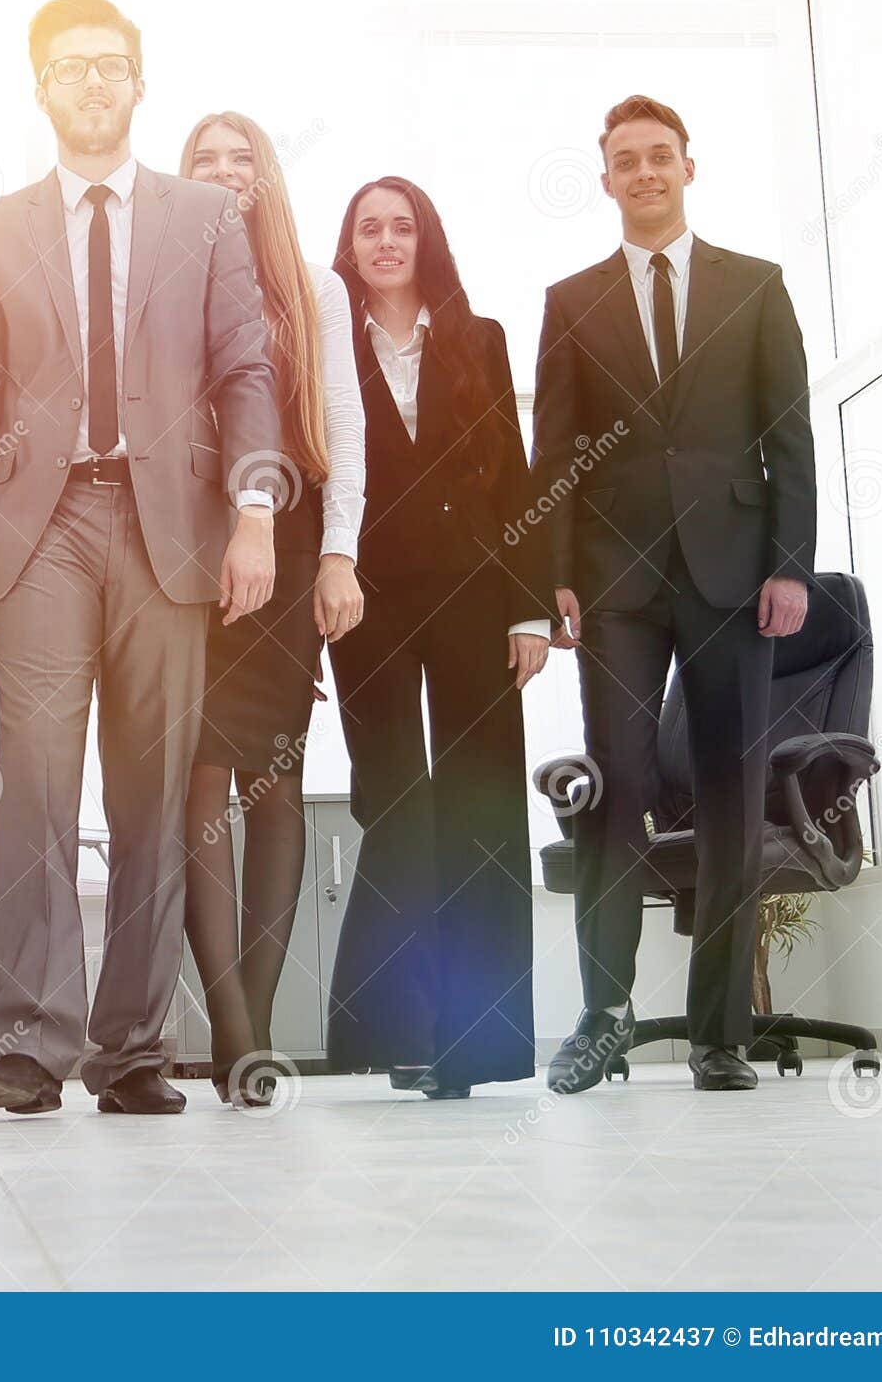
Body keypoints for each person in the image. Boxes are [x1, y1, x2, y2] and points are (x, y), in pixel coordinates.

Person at [0, 0, 282, 1117]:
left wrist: (258, 509)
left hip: (171, 522)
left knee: (155, 793)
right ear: (41, 88)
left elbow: (244, 371)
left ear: (139, 83)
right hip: (39, 530)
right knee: (34, 783)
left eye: (113, 66)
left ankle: (132, 1044)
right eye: (72, 67)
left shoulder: (205, 219)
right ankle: (32, 1042)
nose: (93, 84)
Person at [534, 95, 814, 1095]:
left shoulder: (756, 284)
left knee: (734, 794)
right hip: (615, 577)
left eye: (659, 156)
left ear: (688, 168)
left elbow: (788, 432)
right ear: (604, 177)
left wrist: (789, 562)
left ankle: (720, 1033)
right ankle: (601, 1016)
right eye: (624, 159)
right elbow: (555, 451)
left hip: (736, 570)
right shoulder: (571, 301)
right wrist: (553, 576)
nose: (643, 171)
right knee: (613, 789)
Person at [325, 177, 551, 1099]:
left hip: (472, 589)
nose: (386, 241)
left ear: (428, 240)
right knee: (398, 801)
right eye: (368, 228)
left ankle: (482, 1043)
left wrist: (528, 605)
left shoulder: (478, 338)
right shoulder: (325, 344)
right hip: (364, 596)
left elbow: (514, 472)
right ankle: (404, 1029)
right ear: (349, 247)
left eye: (402, 226)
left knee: (483, 803)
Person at [177, 112, 365, 1107]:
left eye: (239, 156)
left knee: (277, 779)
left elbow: (345, 429)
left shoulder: (313, 284)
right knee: (198, 779)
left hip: (287, 544)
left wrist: (338, 555)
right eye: (204, 159)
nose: (223, 172)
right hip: (185, 555)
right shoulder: (161, 275)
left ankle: (250, 1027)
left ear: (266, 173)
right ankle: (232, 1030)